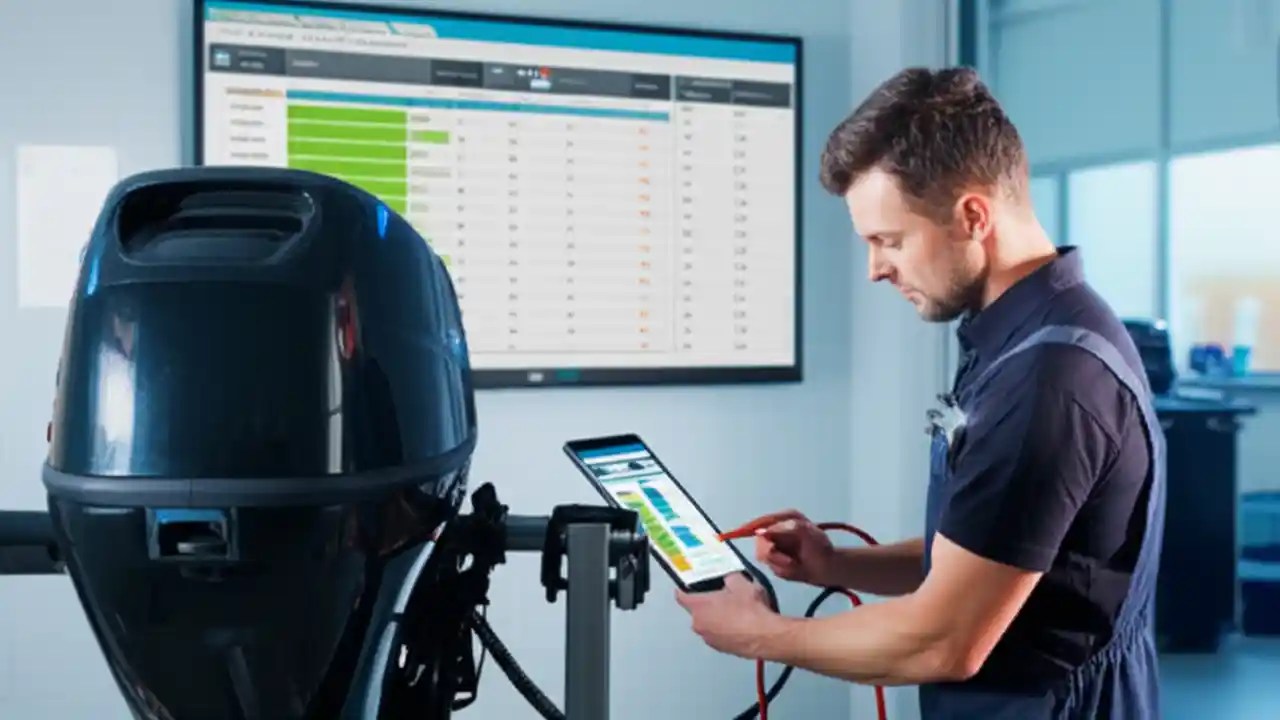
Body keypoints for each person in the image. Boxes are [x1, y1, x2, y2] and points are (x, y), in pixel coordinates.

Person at [675, 66, 1164, 719]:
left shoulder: (1049, 382)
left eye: (890, 240)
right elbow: (989, 558)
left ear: (971, 216)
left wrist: (760, 635)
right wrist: (838, 565)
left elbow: (946, 639)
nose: (877, 268)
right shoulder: (1029, 335)